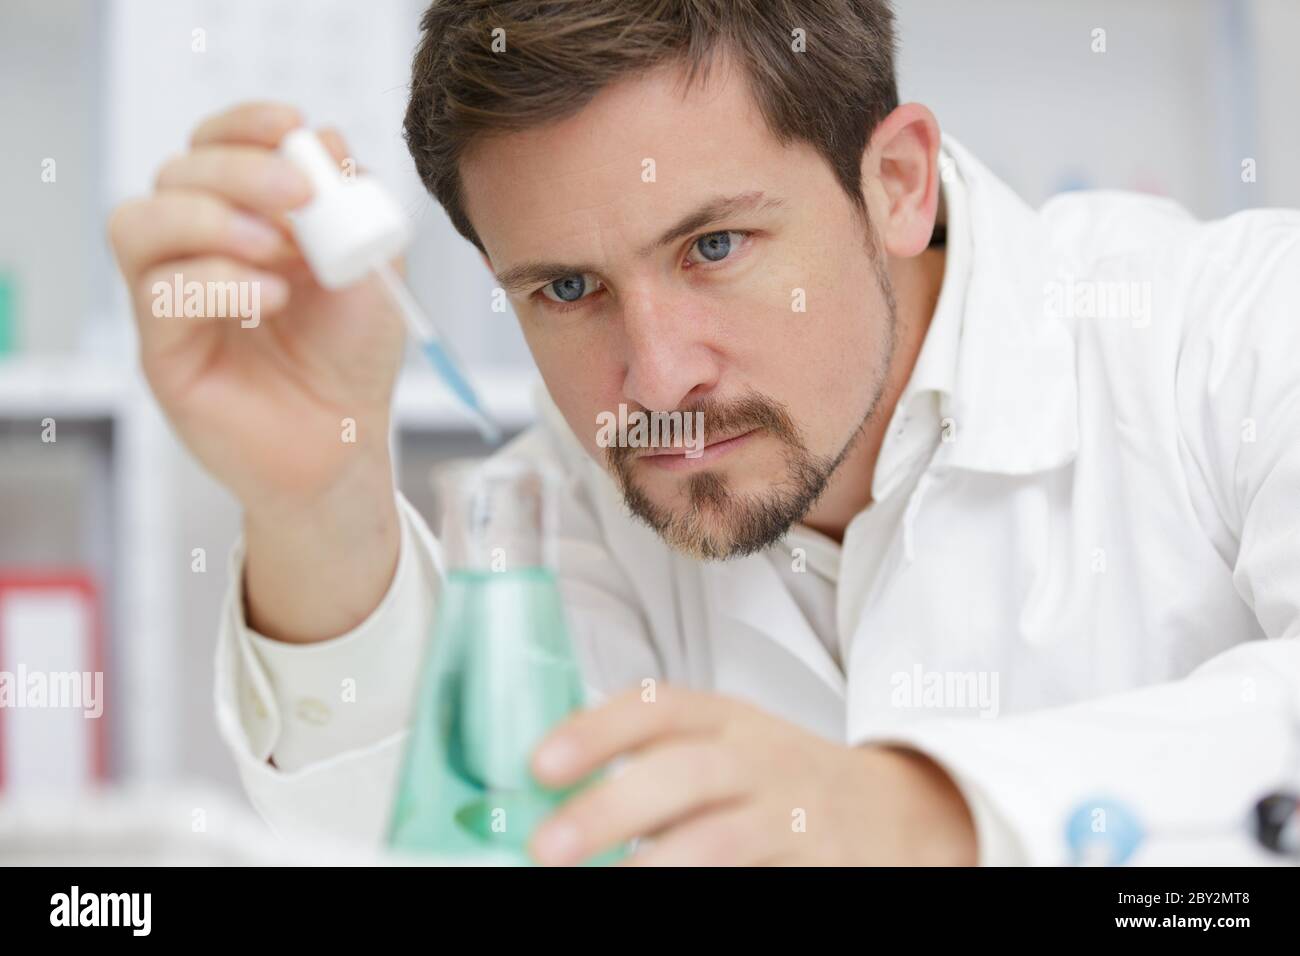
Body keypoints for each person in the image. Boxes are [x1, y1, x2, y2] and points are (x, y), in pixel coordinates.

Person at [107, 0, 1300, 865]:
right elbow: (438, 838)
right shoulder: (570, 512)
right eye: (566, 290)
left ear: (896, 182)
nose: (657, 376)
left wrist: (915, 812)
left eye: (714, 247)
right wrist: (320, 501)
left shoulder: (1233, 328)